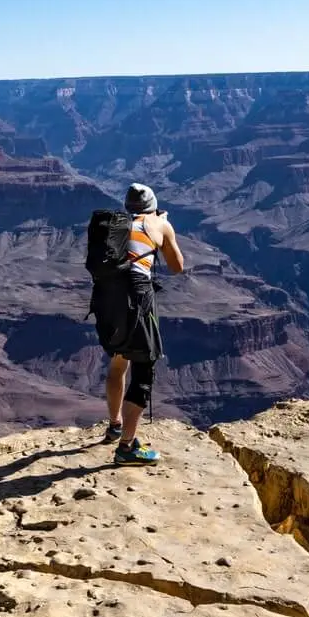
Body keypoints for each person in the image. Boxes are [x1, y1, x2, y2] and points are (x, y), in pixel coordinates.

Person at [100, 182, 185, 465]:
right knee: (144, 369)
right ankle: (126, 448)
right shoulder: (158, 224)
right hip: (137, 298)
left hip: (108, 299)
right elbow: (177, 266)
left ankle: (115, 425)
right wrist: (163, 227)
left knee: (119, 359)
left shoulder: (116, 224)